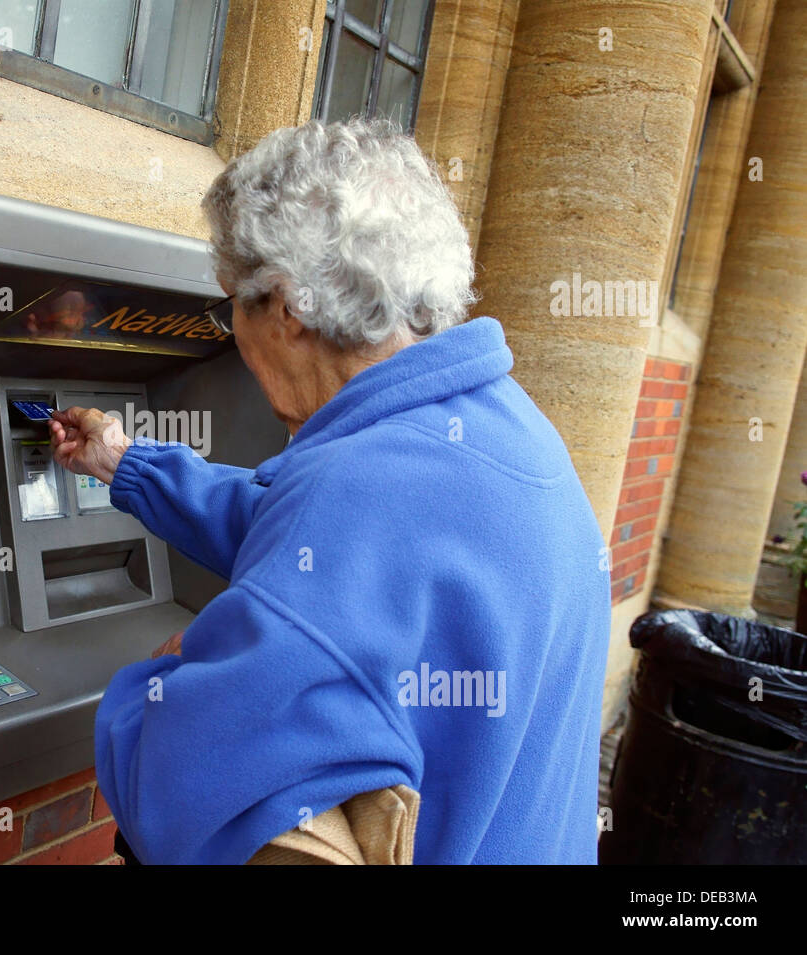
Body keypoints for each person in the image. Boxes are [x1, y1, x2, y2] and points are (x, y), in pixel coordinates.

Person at [49, 118, 610, 865]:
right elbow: (312, 541)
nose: (234, 340)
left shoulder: (356, 492)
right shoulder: (512, 432)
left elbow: (174, 786)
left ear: (285, 306)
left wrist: (164, 681)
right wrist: (126, 464)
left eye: (229, 306)